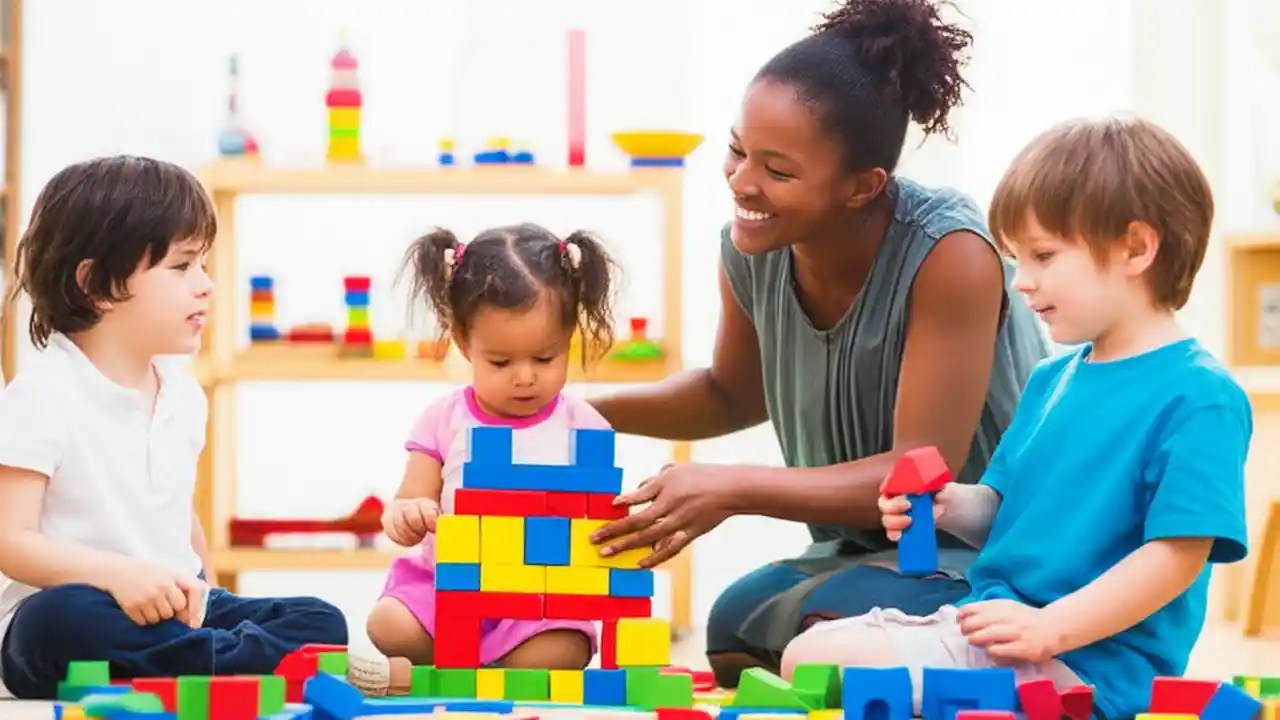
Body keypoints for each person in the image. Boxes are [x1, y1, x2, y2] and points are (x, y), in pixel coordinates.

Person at [586, 0, 1050, 685]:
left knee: (827, 624)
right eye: (738, 151)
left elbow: (918, 473)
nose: (743, 183)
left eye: (777, 170)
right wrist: (583, 414)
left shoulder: (950, 254)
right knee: (734, 627)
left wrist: (732, 488)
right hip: (863, 556)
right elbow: (730, 393)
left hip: (985, 551)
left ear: (862, 186)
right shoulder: (752, 248)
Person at [779, 116, 1250, 720]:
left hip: (1086, 664)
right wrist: (949, 506)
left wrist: (1053, 628)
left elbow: (1177, 554)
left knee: (832, 664)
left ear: (1136, 248)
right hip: (1001, 626)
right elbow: (1007, 510)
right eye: (1017, 258)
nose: (1022, 282)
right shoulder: (1054, 380)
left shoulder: (1198, 396)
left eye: (1044, 256)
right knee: (811, 652)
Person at [0, 156, 349, 700]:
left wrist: (204, 589)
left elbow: (176, 513)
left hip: (173, 611)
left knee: (320, 620)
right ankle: (237, 666)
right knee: (57, 619)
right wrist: (117, 576)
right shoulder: (41, 394)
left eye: (203, 265)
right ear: (97, 284)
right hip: (71, 611)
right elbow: (9, 541)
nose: (206, 285)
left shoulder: (182, 393)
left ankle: (207, 662)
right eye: (182, 266)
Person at [354, 223, 620, 693]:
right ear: (463, 343)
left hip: (537, 598)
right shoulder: (446, 418)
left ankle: (448, 679)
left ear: (569, 338)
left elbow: (600, 518)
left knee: (564, 649)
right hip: (449, 586)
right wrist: (409, 514)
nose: (524, 378)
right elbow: (408, 499)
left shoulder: (584, 426)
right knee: (387, 623)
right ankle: (481, 675)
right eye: (500, 362)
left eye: (545, 358)